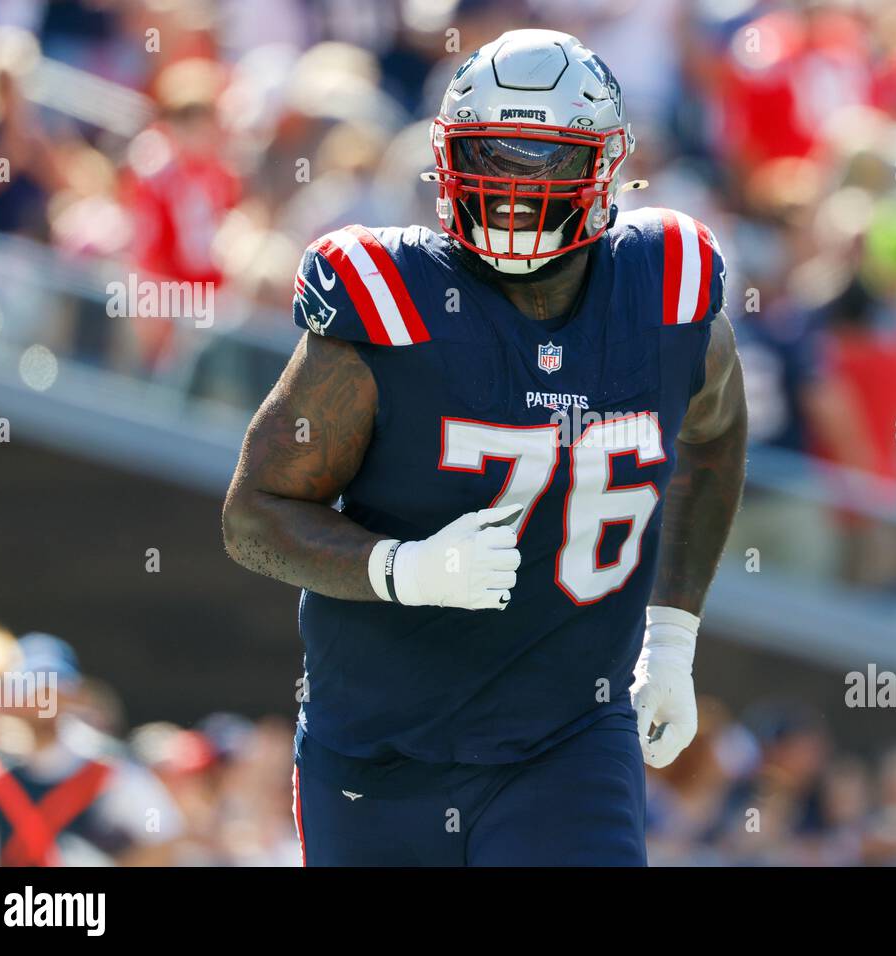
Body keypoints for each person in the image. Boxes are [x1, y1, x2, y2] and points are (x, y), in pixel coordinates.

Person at [222, 29, 747, 866]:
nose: (513, 188)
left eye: (545, 160)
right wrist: (401, 569)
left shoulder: (665, 290)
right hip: (379, 755)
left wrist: (673, 636)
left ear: (604, 166)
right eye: (490, 156)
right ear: (445, 157)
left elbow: (715, 439)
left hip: (567, 740)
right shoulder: (390, 302)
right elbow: (254, 514)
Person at [0, 632, 184, 866]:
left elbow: (159, 825)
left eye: (56, 687)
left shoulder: (106, 764)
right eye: (34, 687)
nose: (46, 699)